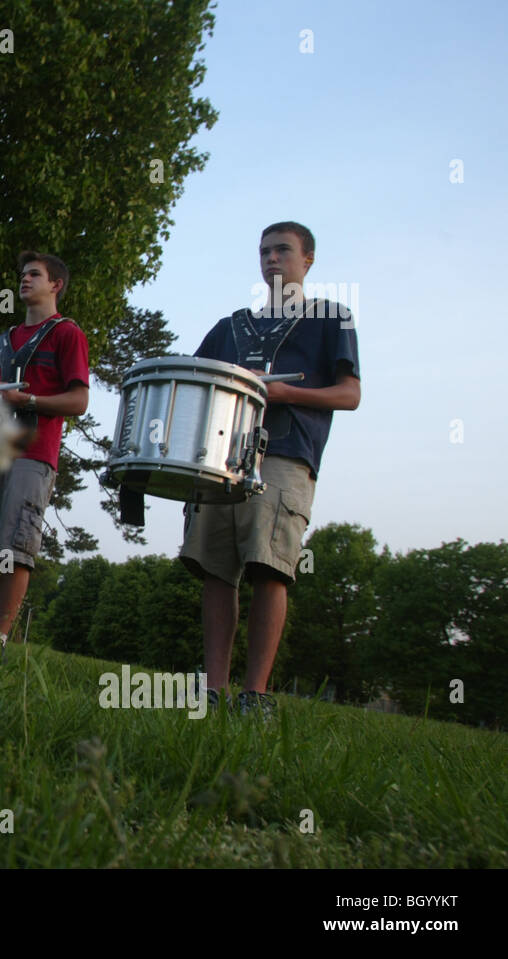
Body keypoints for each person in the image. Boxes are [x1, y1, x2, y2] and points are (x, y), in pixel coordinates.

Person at [179, 221, 361, 717]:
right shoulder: (229, 326)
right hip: (221, 459)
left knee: (269, 568)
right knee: (217, 570)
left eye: (283, 250)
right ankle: (212, 691)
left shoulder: (333, 318)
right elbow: (195, 386)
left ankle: (254, 695)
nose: (272, 259)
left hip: (284, 452)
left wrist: (283, 392)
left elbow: (350, 395)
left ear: (308, 259)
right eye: (264, 251)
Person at [0, 251, 90, 662]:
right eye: (22, 275)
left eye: (35, 274)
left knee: (13, 549)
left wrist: (26, 398)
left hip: (33, 454)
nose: (25, 280)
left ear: (56, 285)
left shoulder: (67, 334)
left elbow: (80, 400)